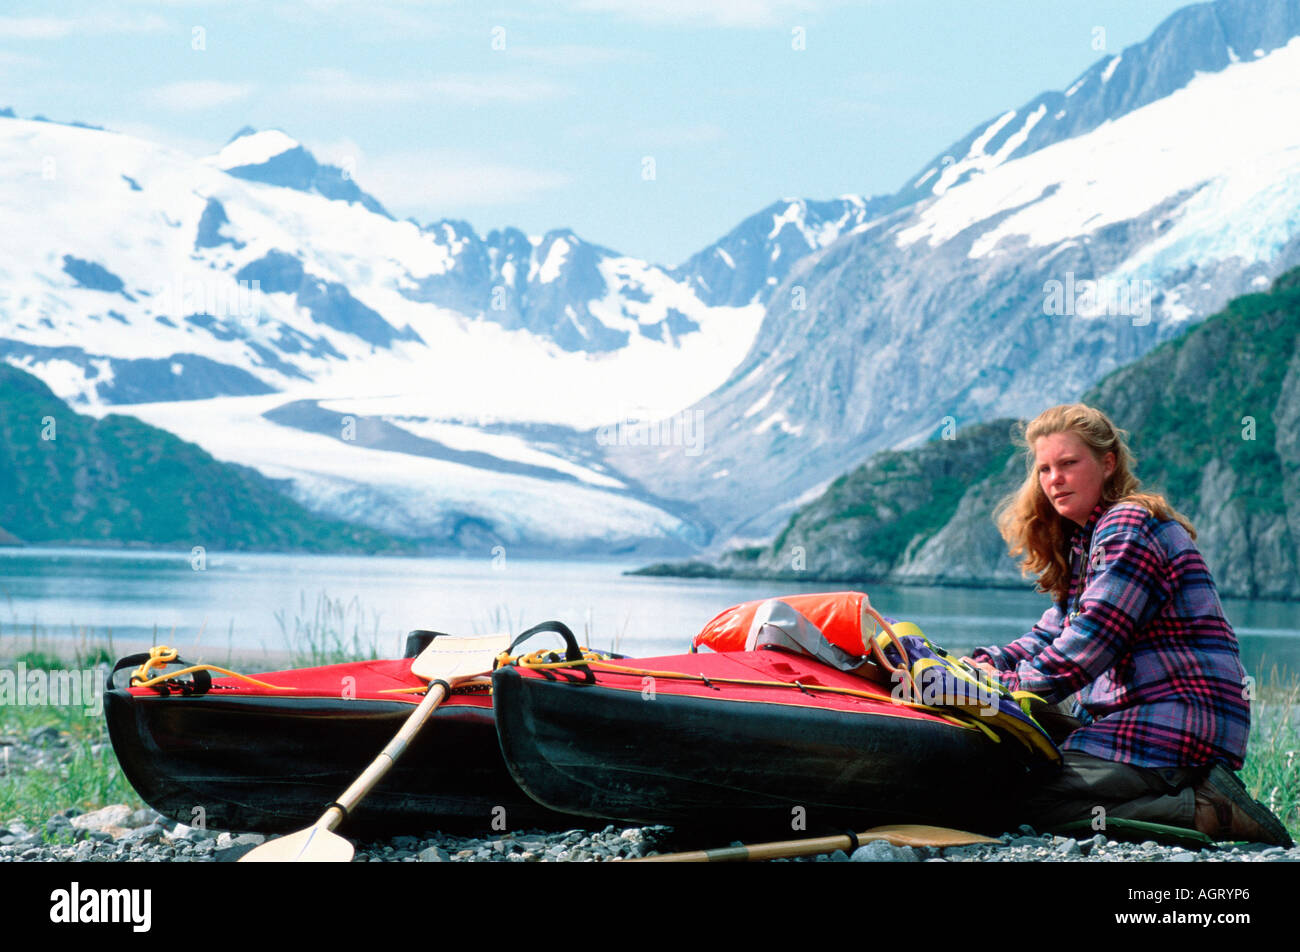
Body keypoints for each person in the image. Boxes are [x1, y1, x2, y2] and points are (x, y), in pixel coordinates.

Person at [962, 403, 1292, 846]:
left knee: (1023, 800)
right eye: (1044, 469)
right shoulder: (1087, 541)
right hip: (1141, 716)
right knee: (1015, 761)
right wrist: (972, 664)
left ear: (1107, 463)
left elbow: (1085, 648)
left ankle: (1208, 810)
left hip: (1177, 718)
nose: (1054, 479)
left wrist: (996, 686)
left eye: (1068, 464)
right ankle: (1177, 793)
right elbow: (1049, 635)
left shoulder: (1127, 525)